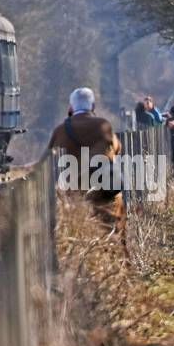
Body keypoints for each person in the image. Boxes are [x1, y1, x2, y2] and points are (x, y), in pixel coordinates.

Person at [49, 87, 125, 241]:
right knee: (111, 233)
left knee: (79, 236)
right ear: (93, 107)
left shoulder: (61, 130)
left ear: (70, 108)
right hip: (103, 191)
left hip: (73, 196)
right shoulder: (103, 126)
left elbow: (50, 156)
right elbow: (117, 148)